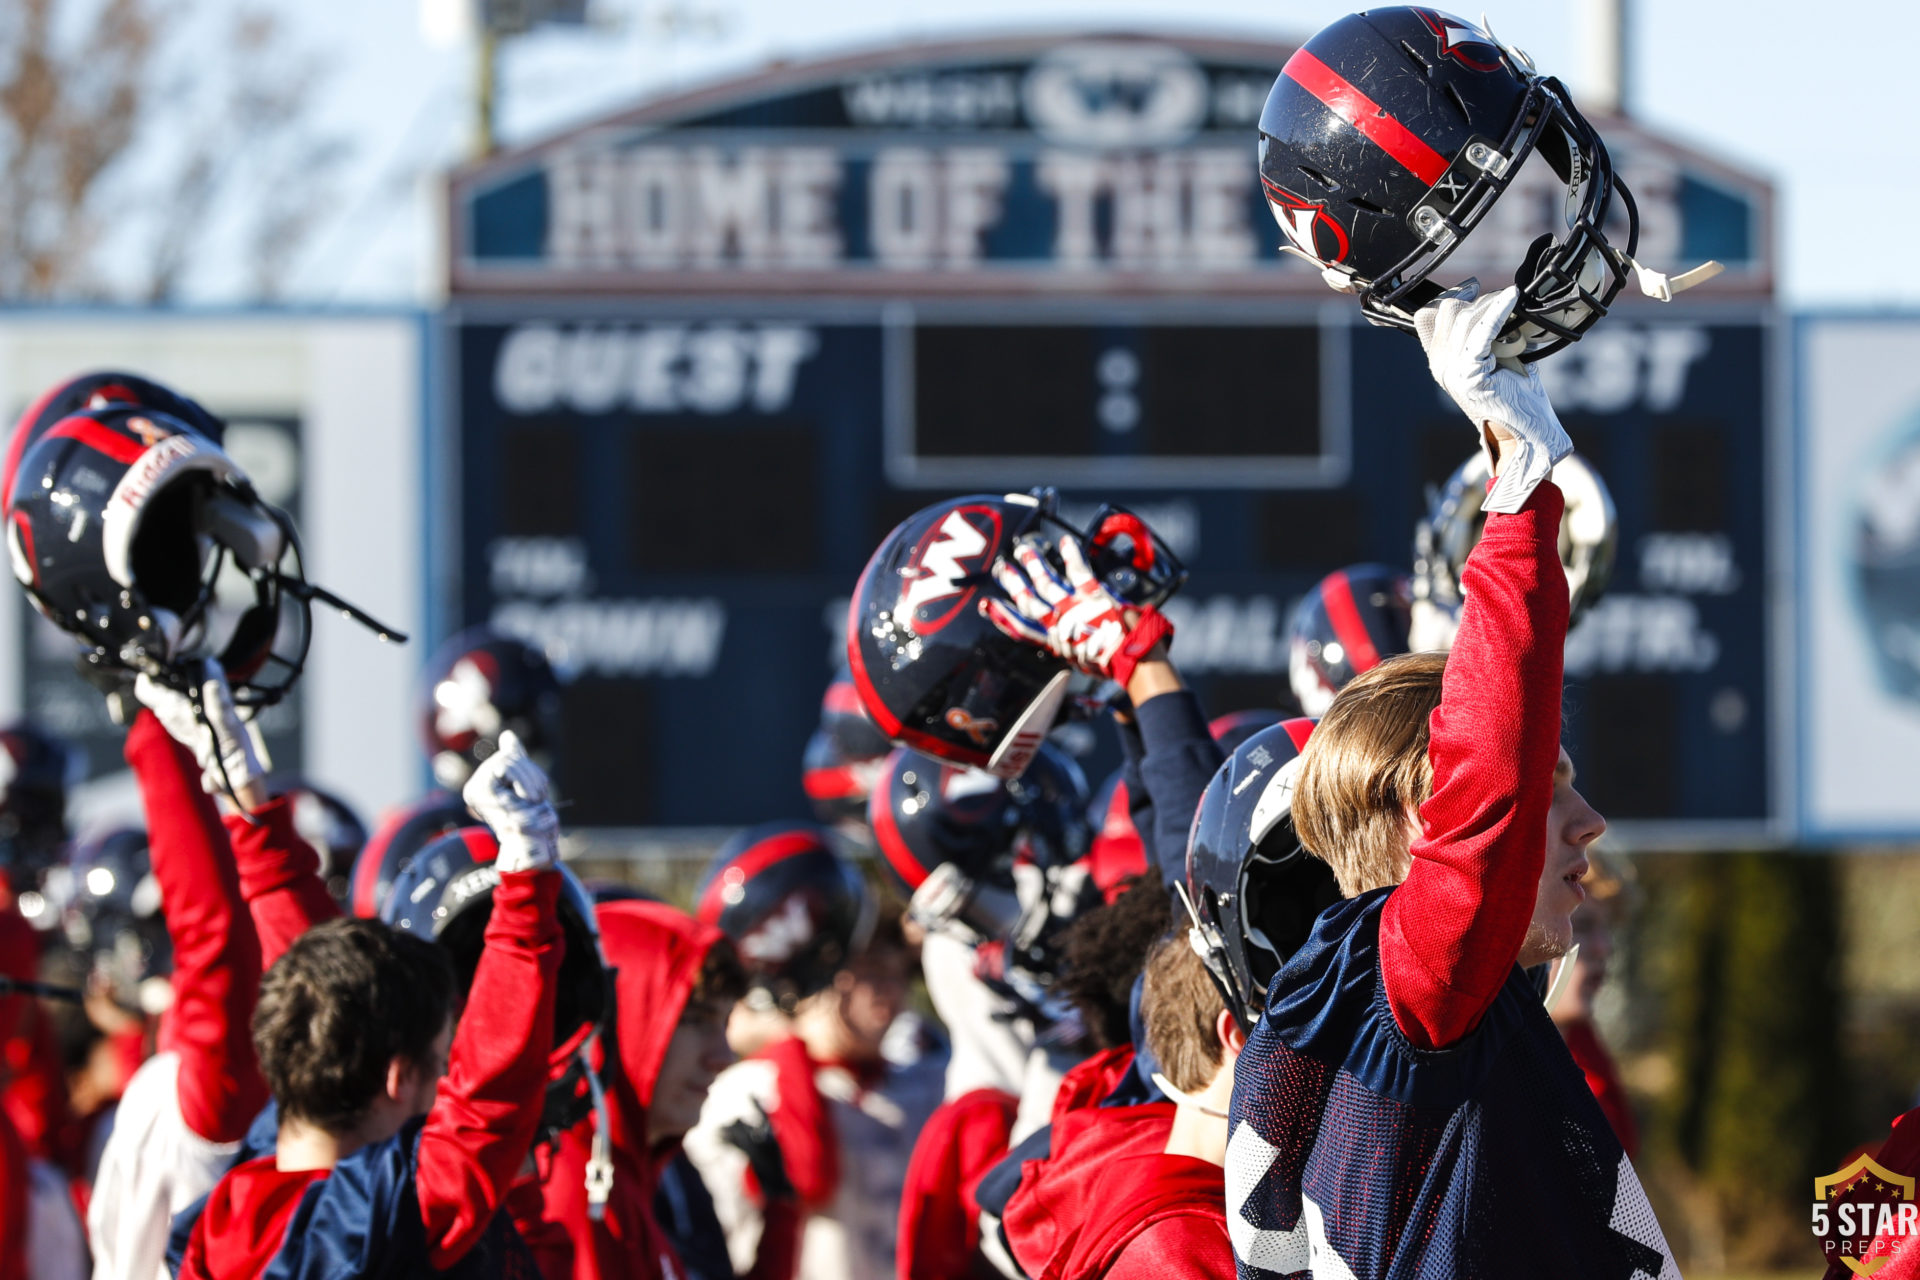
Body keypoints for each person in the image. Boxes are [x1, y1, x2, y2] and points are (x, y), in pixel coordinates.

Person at [1223, 284, 1678, 1276]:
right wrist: (1520, 483)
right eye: (1548, 786)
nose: (1589, 822)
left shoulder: (1407, 1013)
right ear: (1429, 811)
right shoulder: (1415, 996)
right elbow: (1488, 780)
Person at [172, 730, 566, 1277]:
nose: (449, 1081)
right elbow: (484, 1108)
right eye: (442, 1061)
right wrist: (525, 888)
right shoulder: (377, 1221)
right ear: (400, 1077)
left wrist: (249, 805)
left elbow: (330, 989)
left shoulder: (230, 1213)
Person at [685, 906, 940, 1280]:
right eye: (870, 972)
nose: (889, 991)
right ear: (821, 977)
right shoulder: (747, 1091)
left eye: (898, 973)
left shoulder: (925, 1085)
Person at [537, 898, 751, 1280]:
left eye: (725, 1021)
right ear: (619, 1016)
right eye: (695, 1020)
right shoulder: (570, 1187)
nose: (723, 1055)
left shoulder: (622, 1177)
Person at [1548, 860, 1640, 1158]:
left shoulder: (1588, 1057)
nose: (1604, 947)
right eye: (1584, 926)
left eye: (1606, 928)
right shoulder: (1479, 1068)